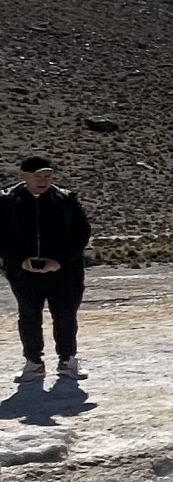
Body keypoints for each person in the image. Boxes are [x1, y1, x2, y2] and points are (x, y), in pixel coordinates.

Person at [2, 155, 91, 383]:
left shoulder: (65, 200)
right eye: (37, 176)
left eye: (47, 176)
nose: (43, 180)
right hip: (23, 272)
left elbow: (81, 234)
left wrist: (59, 260)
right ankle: (33, 363)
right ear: (23, 176)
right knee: (29, 317)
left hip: (64, 272)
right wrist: (20, 260)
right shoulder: (7, 201)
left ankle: (68, 360)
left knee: (65, 316)